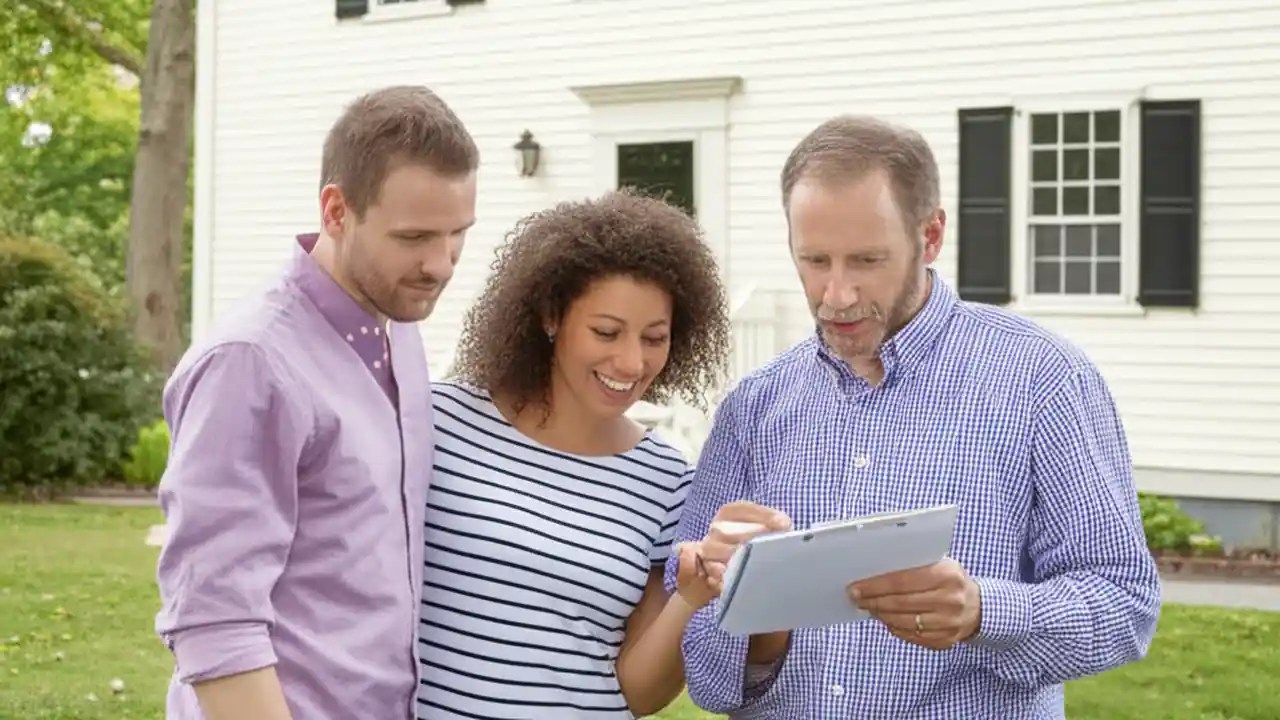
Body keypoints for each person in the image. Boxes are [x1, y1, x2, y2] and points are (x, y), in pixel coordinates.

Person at [665, 115, 1162, 719]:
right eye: (815, 260)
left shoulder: (1043, 381)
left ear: (930, 237)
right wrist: (754, 619)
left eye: (867, 260)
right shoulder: (753, 407)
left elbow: (1123, 605)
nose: (836, 294)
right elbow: (701, 655)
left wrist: (983, 612)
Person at [153, 85, 479, 720]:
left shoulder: (398, 324)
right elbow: (215, 620)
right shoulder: (250, 363)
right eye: (414, 237)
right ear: (336, 210)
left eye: (457, 235)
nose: (440, 265)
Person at [415, 189, 788, 719]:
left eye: (654, 337)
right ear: (550, 316)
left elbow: (636, 694)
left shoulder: (667, 481)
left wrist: (692, 596)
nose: (632, 361)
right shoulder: (440, 421)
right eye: (606, 332)